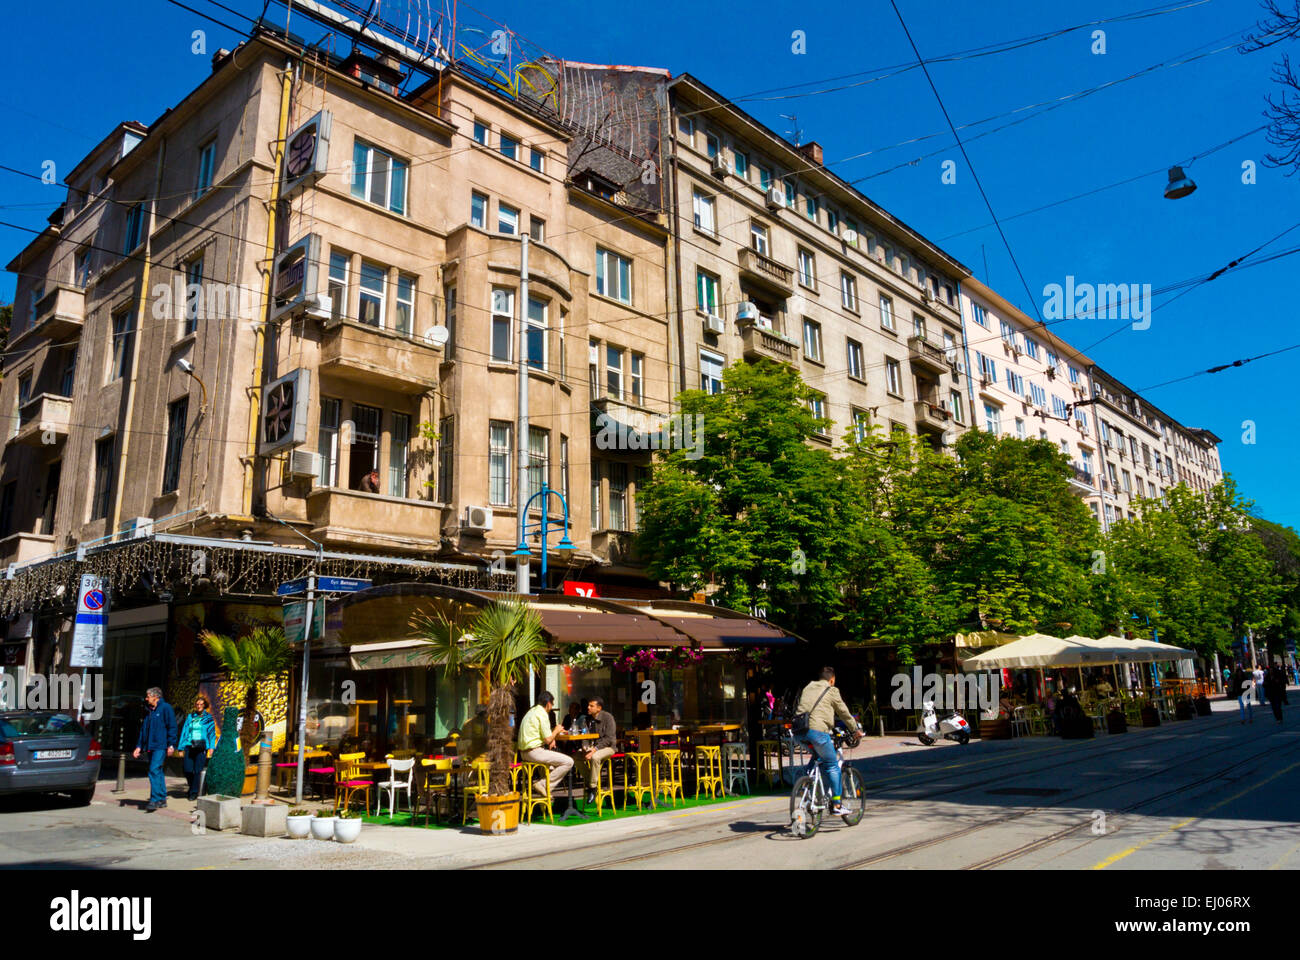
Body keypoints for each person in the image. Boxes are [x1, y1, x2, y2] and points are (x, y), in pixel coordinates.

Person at [793, 667, 861, 817]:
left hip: (799, 731)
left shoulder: (808, 687)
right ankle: (837, 804)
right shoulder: (832, 690)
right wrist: (855, 729)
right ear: (831, 680)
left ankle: (807, 783)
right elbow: (843, 711)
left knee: (817, 756)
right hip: (817, 732)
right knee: (832, 766)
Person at [516, 691, 573, 799]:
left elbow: (544, 736)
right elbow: (547, 739)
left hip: (524, 753)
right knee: (569, 762)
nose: (552, 707)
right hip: (534, 752)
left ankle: (545, 795)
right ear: (548, 703)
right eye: (552, 704)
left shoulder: (532, 711)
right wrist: (556, 731)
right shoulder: (542, 714)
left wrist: (552, 738)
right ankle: (542, 785)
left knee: (551, 769)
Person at [132, 687, 177, 812]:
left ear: (155, 696)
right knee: (158, 771)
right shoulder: (149, 711)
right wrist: (139, 746)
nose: (146, 699)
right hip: (150, 746)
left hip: (161, 746)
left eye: (148, 696)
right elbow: (143, 730)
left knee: (153, 770)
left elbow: (172, 726)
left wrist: (171, 744)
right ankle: (162, 798)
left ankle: (154, 799)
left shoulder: (166, 708)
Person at [575, 697, 617, 804]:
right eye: (588, 705)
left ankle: (592, 788)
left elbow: (609, 739)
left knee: (595, 757)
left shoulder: (608, 717)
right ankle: (591, 780)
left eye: (591, 706)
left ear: (599, 708)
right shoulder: (587, 719)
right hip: (592, 747)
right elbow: (585, 736)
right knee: (575, 757)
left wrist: (594, 750)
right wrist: (585, 748)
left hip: (608, 747)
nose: (588, 707)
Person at [178, 695, 217, 801]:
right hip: (189, 746)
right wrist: (180, 747)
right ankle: (192, 788)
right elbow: (184, 732)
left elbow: (212, 734)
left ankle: (194, 792)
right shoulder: (190, 717)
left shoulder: (208, 718)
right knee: (187, 770)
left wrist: (211, 748)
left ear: (204, 706)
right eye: (197, 704)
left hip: (201, 747)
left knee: (197, 771)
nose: (199, 706)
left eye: (201, 704)